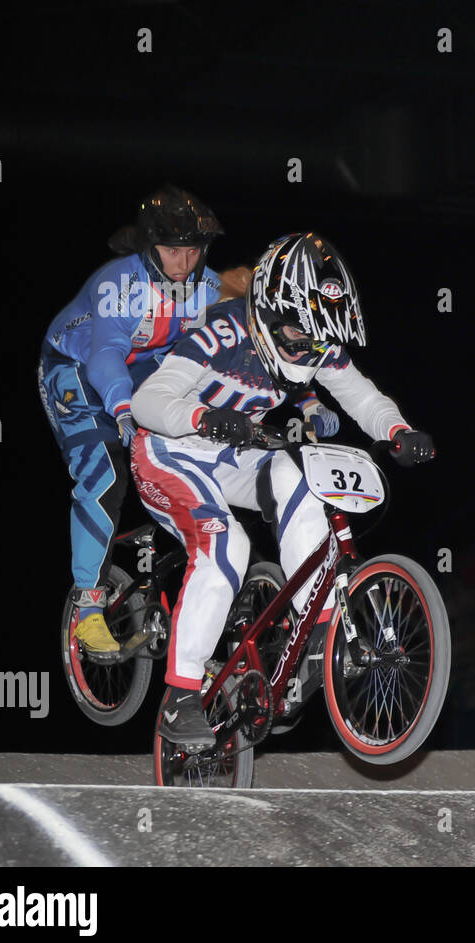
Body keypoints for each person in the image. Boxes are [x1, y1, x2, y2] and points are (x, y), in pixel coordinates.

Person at [130, 232, 435, 747]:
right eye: (296, 334)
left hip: (233, 451)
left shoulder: (313, 343)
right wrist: (203, 416)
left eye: (317, 339)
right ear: (267, 312)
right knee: (228, 544)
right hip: (168, 451)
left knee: (302, 475)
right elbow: (147, 402)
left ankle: (314, 629)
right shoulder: (220, 335)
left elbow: (363, 397)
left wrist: (399, 431)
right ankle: (179, 695)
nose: (306, 349)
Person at [39, 185, 224, 658]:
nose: (182, 263)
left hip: (142, 368)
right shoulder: (117, 284)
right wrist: (122, 410)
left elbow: (247, 337)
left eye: (192, 251)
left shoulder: (206, 288)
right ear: (148, 248)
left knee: (201, 452)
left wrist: (304, 399)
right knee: (103, 469)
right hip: (76, 368)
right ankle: (86, 606)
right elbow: (104, 357)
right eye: (170, 251)